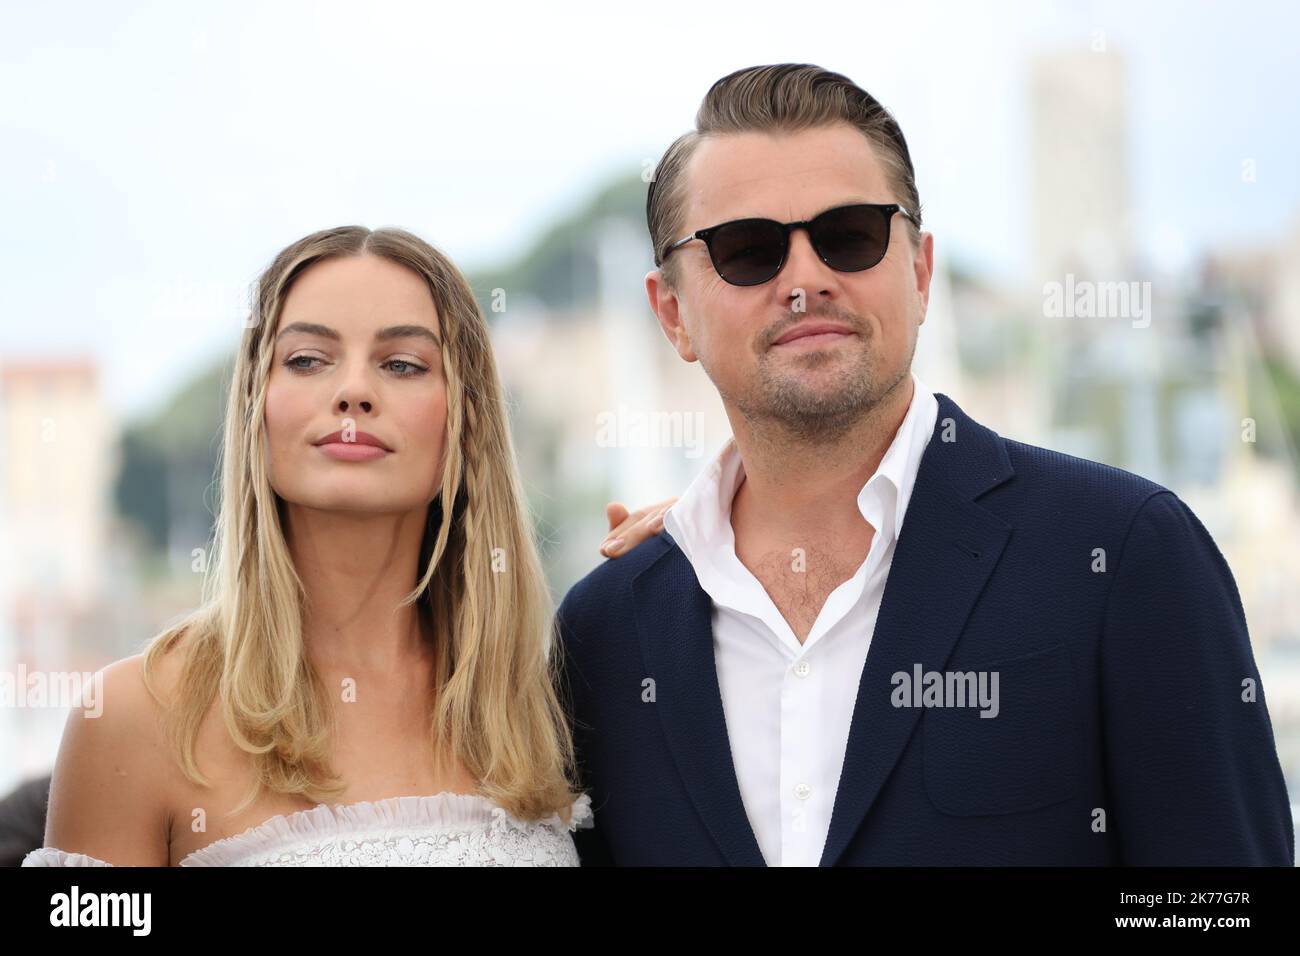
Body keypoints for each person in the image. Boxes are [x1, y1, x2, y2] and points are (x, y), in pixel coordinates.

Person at [556, 63, 1295, 866]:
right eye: (747, 251)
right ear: (673, 314)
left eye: (850, 236)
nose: (806, 280)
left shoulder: (1124, 553)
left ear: (919, 271)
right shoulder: (605, 633)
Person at [23, 225, 670, 867]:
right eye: (307, 358)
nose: (354, 391)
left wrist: (708, 541)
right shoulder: (138, 719)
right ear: (257, 408)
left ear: (465, 424)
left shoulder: (547, 701)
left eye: (402, 364)